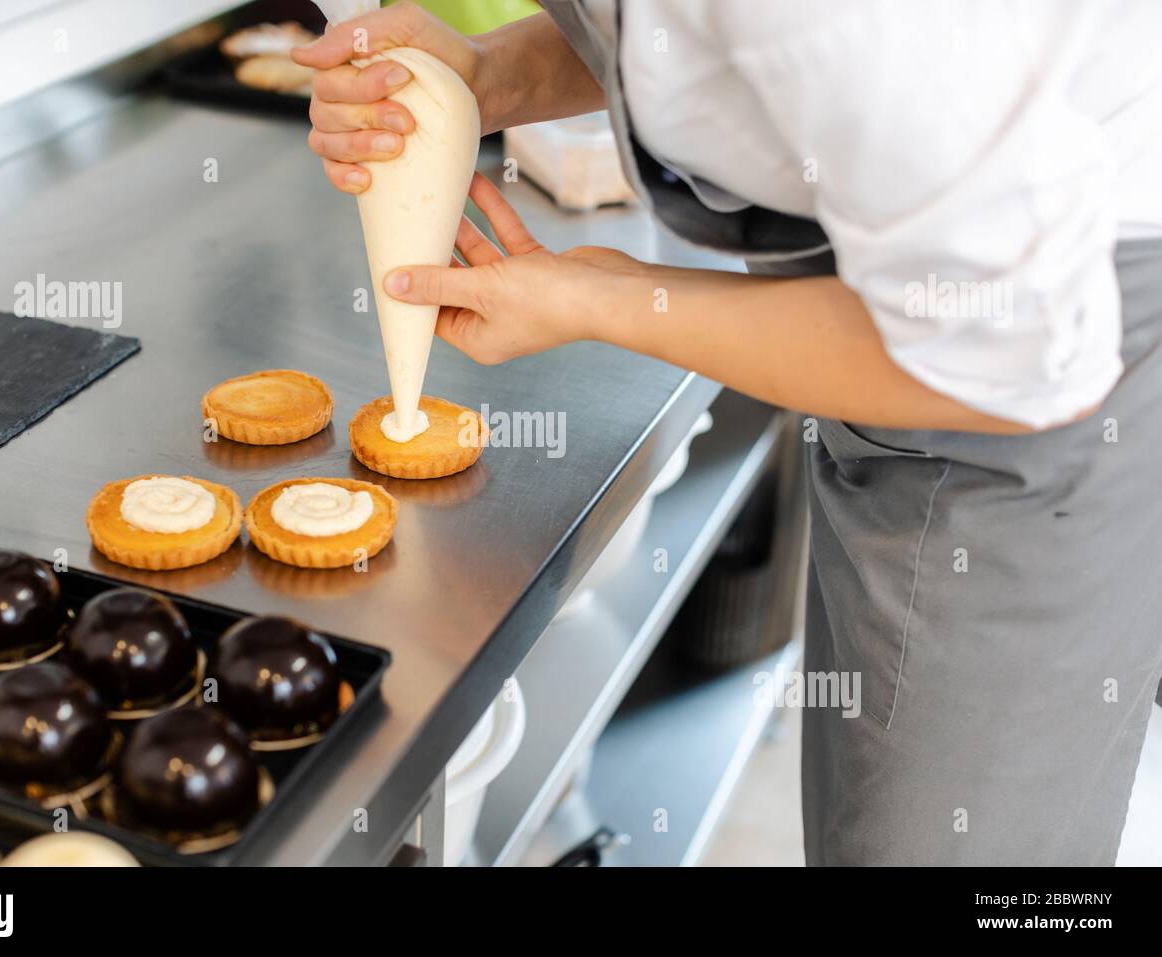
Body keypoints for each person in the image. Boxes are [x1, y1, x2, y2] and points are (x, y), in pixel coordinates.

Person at [294, 1, 1162, 865]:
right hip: (926, 283)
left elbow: (1014, 351)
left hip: (1041, 343)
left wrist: (599, 299)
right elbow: (676, 37)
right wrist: (487, 79)